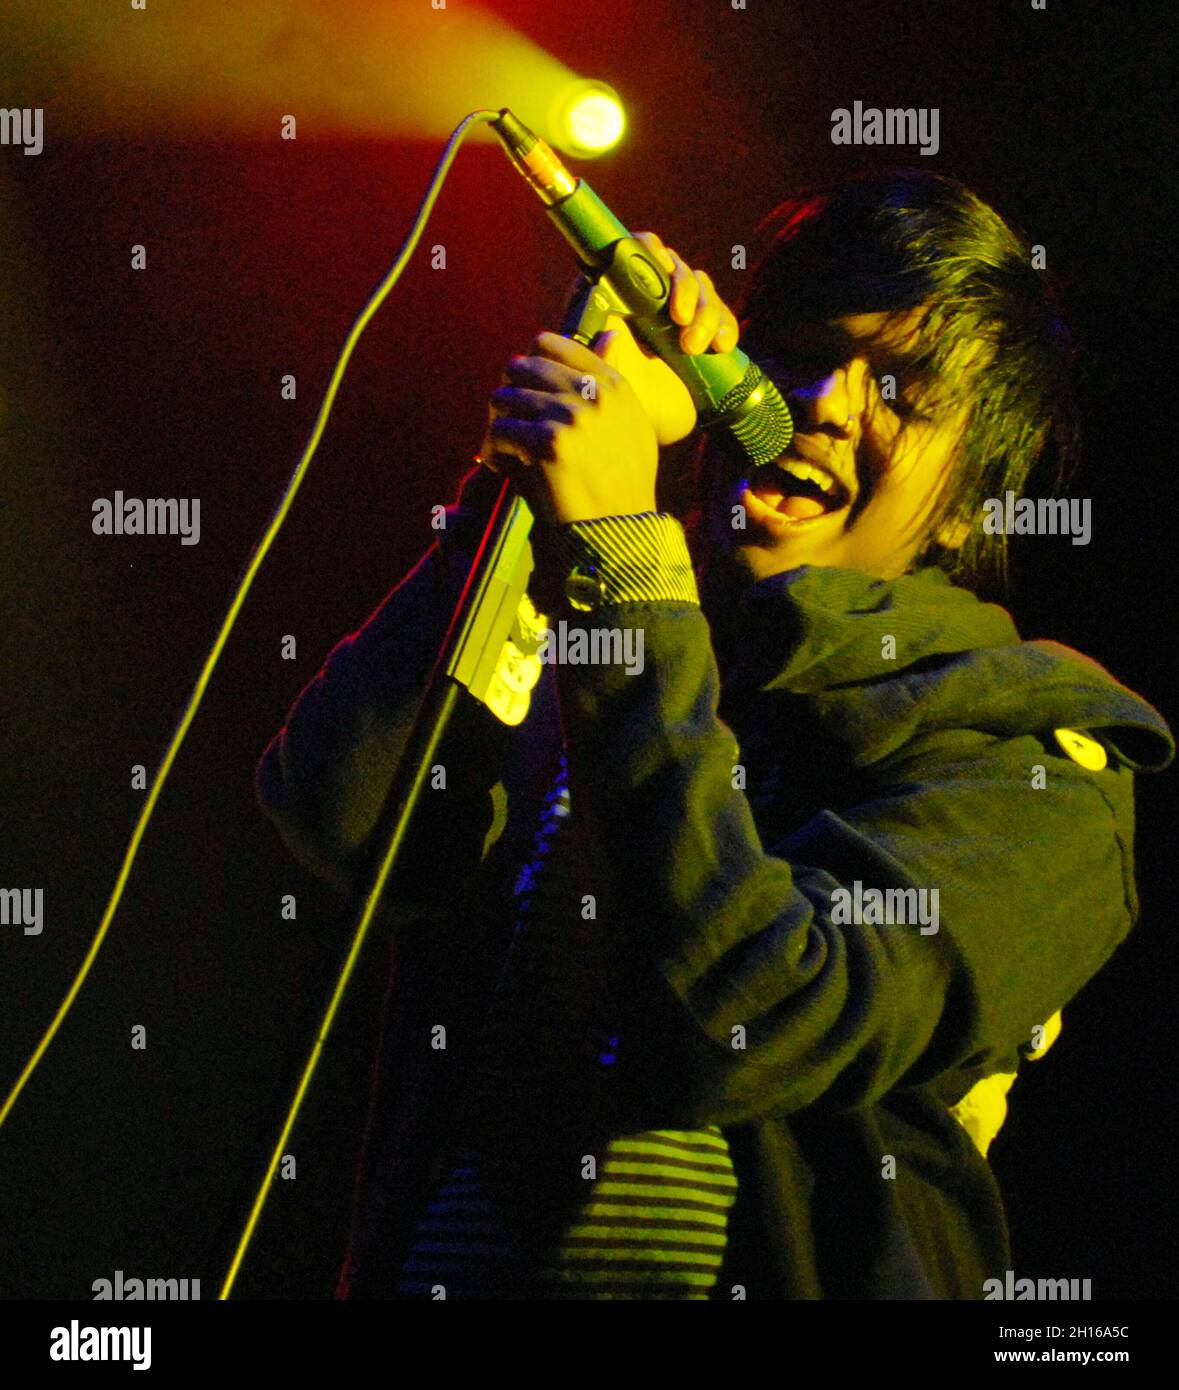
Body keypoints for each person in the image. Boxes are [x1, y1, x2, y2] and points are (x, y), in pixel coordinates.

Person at [256, 171, 1172, 1299]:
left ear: (967, 506)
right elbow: (341, 817)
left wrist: (621, 557)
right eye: (799, 349)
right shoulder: (610, 625)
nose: (831, 401)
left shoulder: (1029, 755)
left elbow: (752, 1014)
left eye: (902, 391)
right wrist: (518, 514)